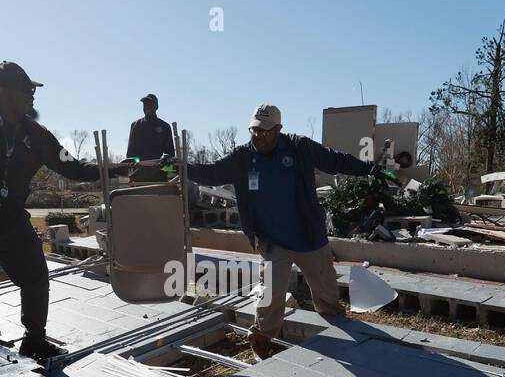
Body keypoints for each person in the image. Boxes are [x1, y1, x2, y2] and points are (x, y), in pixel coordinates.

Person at [0, 61, 129, 357]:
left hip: (10, 224)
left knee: (35, 277)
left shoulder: (35, 134)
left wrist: (119, 171)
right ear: (2, 90)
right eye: (26, 89)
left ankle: (35, 340)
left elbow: (72, 167)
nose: (32, 95)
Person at [187, 103, 387, 358]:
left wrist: (370, 169)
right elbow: (210, 173)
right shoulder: (242, 157)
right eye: (254, 130)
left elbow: (335, 160)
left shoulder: (299, 147)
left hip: (309, 237)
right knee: (270, 295)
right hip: (272, 241)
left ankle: (340, 336)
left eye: (265, 131)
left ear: (278, 129)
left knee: (326, 296)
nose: (258, 136)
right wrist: (180, 167)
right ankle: (261, 339)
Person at [125, 93, 176, 182]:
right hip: (139, 177)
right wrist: (137, 165)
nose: (147, 106)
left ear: (156, 106)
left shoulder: (165, 127)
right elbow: (131, 154)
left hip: (159, 178)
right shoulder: (136, 125)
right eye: (145, 104)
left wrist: (164, 173)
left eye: (150, 104)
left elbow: (170, 154)